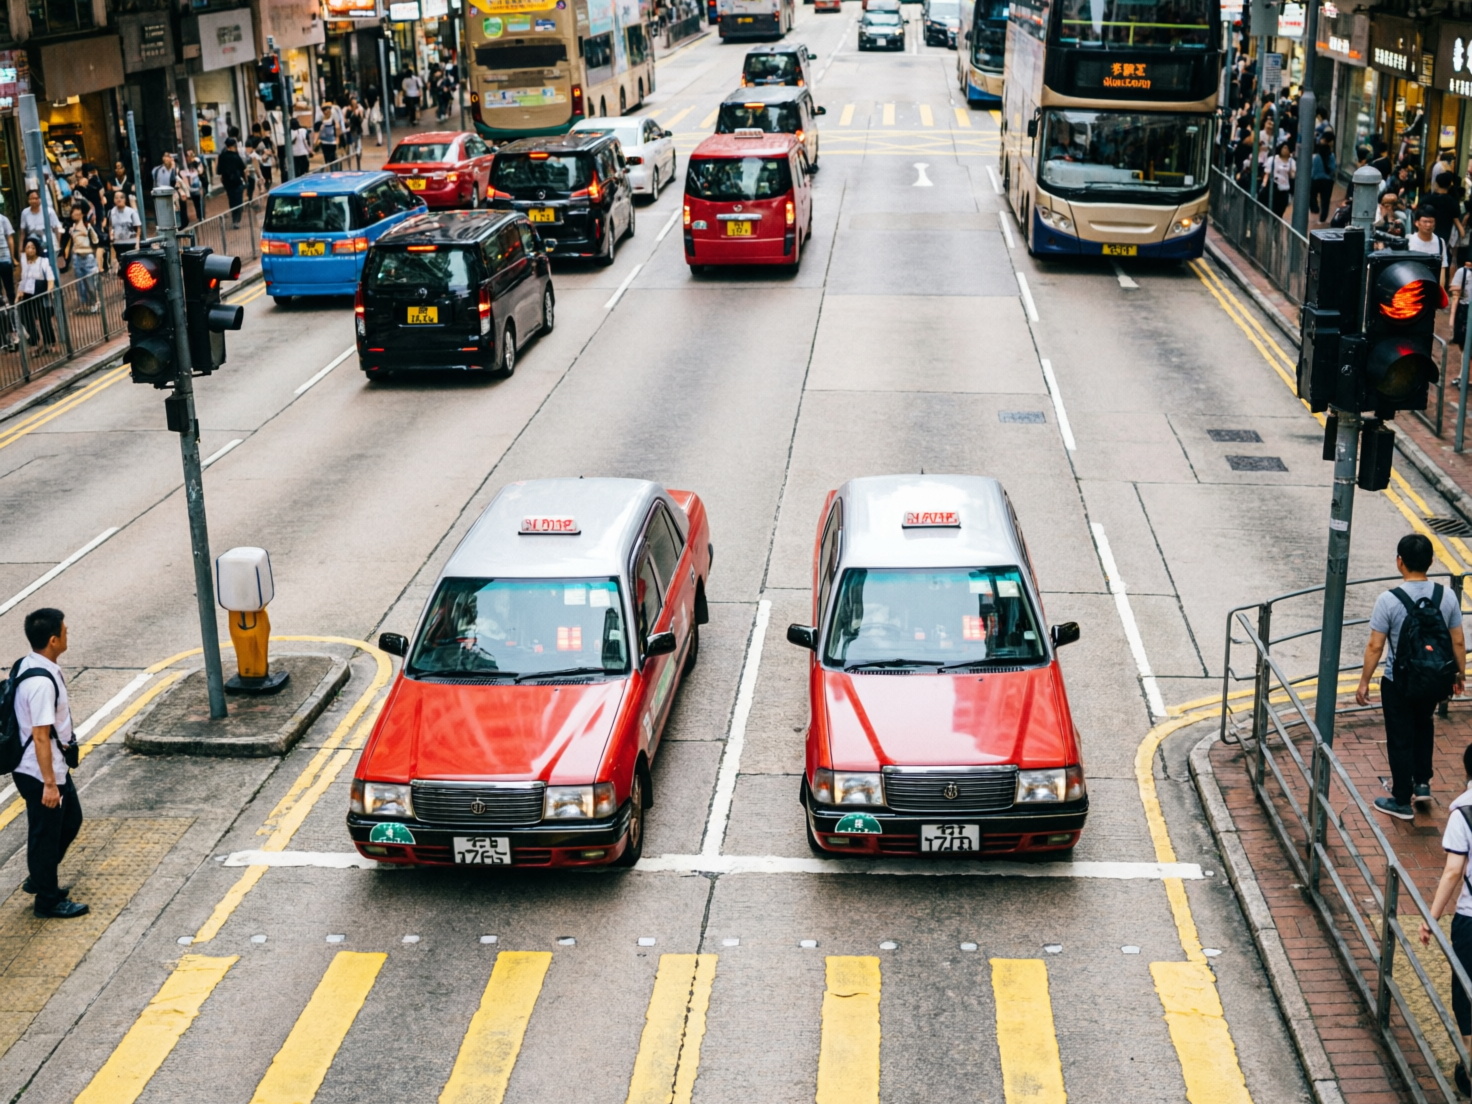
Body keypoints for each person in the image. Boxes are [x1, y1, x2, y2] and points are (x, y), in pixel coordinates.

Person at [1358, 534, 1467, 819]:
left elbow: (1375, 646)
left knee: (1400, 736)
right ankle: (1422, 783)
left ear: (1399, 562)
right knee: (1424, 724)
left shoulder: (1389, 599)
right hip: (1435, 679)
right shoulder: (1447, 596)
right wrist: (1460, 674)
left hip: (1399, 681)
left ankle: (1402, 801)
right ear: (1431, 561)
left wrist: (1364, 681)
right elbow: (1457, 641)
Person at [9, 608, 87, 919]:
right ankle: (47, 901)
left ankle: (41, 878)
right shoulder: (40, 684)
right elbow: (41, 737)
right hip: (41, 772)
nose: (68, 634)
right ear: (53, 640)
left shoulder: (30, 664)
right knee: (45, 836)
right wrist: (50, 785)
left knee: (70, 822)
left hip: (50, 766)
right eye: (65, 631)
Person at [1418, 741, 1472, 1097]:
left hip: (1471, 920)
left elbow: (1453, 872)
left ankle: (1469, 1063)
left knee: (1466, 996)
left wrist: (1430, 917)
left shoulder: (1463, 814)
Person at [18, 238, 55, 348]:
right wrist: (19, 293)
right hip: (27, 293)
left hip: (40, 292)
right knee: (25, 316)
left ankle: (49, 342)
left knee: (44, 317)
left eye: (33, 247)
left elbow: (50, 277)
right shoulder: (24, 262)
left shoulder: (43, 261)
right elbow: (23, 278)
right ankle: (34, 339)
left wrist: (49, 290)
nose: (30, 250)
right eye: (28, 247)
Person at [61, 205, 99, 313]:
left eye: (78, 213)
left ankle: (95, 303)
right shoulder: (71, 228)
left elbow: (95, 240)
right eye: (73, 213)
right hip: (77, 257)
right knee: (80, 284)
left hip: (88, 256)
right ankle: (84, 305)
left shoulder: (88, 226)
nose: (75, 215)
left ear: (82, 214)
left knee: (91, 283)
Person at [1408, 206, 1451, 286]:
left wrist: (1441, 290)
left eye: (1431, 222)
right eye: (1425, 222)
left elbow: (1442, 268)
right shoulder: (1409, 241)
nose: (1428, 225)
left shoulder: (1440, 242)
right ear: (1417, 223)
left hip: (1433, 285)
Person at [18, 190, 60, 256]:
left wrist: (58, 244)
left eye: (36, 198)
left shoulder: (49, 211)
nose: (33, 201)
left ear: (40, 199)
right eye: (31, 199)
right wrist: (21, 247)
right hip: (34, 245)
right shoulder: (25, 213)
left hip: (50, 243)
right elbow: (22, 232)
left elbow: (57, 229)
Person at [108, 188, 141, 270]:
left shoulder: (131, 212)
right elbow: (110, 226)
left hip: (131, 243)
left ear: (125, 200)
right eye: (116, 197)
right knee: (122, 265)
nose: (119, 199)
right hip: (118, 244)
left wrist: (137, 242)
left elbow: (138, 228)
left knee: (132, 265)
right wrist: (111, 237)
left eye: (121, 197)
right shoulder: (111, 212)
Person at [217, 137, 247, 225]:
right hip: (237, 181)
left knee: (232, 200)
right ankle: (237, 219)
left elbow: (219, 171)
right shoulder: (236, 156)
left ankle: (234, 219)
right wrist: (245, 180)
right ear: (233, 146)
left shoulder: (222, 156)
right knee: (238, 200)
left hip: (227, 182)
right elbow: (243, 168)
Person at [1310, 136, 1336, 224]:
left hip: (1316, 180)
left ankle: (1315, 208)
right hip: (1328, 181)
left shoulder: (1316, 157)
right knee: (1325, 201)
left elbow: (1312, 170)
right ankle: (1322, 218)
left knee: (1312, 195)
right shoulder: (1331, 156)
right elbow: (1333, 168)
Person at [1267, 140, 1294, 217]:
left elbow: (1293, 176)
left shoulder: (1291, 162)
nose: (1285, 150)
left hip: (1284, 189)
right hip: (1274, 188)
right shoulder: (1273, 159)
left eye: (1287, 148)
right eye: (1284, 147)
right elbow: (1267, 173)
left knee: (1280, 211)